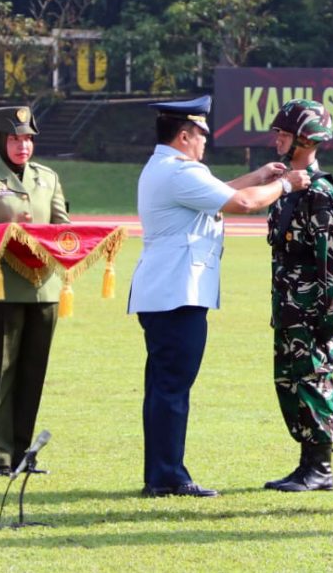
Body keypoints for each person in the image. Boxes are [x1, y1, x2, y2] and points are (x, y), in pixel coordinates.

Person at [129, 95, 311, 498]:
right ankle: (167, 476)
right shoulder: (180, 171)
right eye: (200, 135)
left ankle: (162, 472)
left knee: (164, 387)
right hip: (177, 294)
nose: (204, 142)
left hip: (166, 292)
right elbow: (242, 204)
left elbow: (217, 193)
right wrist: (285, 184)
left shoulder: (167, 168)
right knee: (172, 389)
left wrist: (259, 175)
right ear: (183, 136)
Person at [0, 106, 70, 475]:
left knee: (33, 371)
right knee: (0, 373)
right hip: (2, 289)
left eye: (28, 139)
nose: (23, 146)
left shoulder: (47, 178)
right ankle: (0, 455)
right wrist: (11, 237)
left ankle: (22, 453)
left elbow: (63, 228)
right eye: (15, 139)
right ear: (1, 140)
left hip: (43, 289)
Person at [263, 99, 333, 492]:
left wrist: (327, 315)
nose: (277, 139)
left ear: (306, 140)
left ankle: (320, 467)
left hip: (311, 310)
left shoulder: (320, 193)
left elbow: (331, 262)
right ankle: (305, 463)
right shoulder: (286, 188)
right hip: (287, 307)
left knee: (314, 382)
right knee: (290, 382)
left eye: (285, 133)